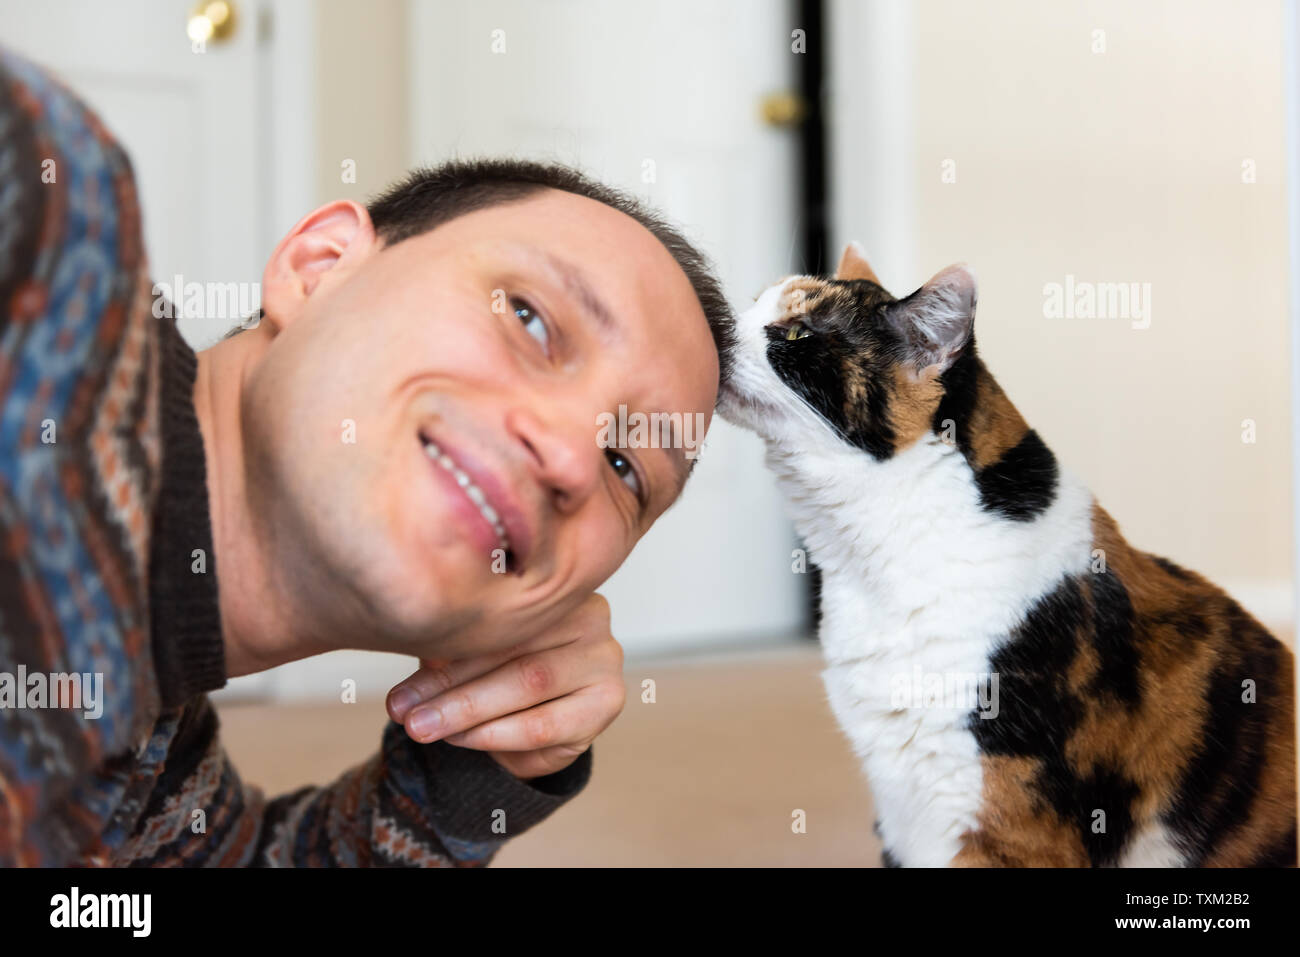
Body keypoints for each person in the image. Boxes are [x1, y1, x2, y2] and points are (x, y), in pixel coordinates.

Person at [0, 47, 732, 866]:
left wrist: (474, 757)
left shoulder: (137, 762)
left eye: (625, 469)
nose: (567, 455)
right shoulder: (44, 212)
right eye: (528, 318)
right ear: (319, 269)